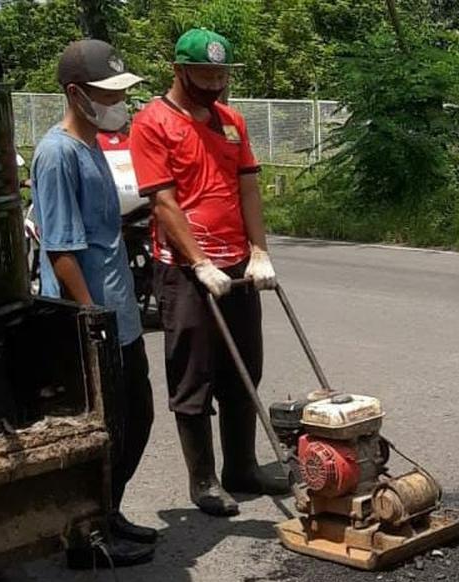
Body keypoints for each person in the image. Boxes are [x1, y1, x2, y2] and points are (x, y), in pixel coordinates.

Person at [129, 28, 286, 517]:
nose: (215, 84)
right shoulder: (153, 123)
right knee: (193, 375)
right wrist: (199, 261)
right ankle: (204, 480)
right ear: (179, 71)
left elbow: (248, 189)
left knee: (244, 368)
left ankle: (243, 467)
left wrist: (259, 250)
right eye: (205, 75)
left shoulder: (231, 122)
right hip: (185, 269)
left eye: (221, 75)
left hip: (237, 263)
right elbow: (163, 202)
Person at [31, 39, 156, 568]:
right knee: (104, 431)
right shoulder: (57, 153)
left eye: (119, 94)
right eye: (106, 94)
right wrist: (91, 319)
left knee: (136, 419)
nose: (116, 103)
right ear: (75, 94)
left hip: (120, 314)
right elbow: (60, 248)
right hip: (94, 320)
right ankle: (86, 538)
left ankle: (108, 510)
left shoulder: (94, 146)